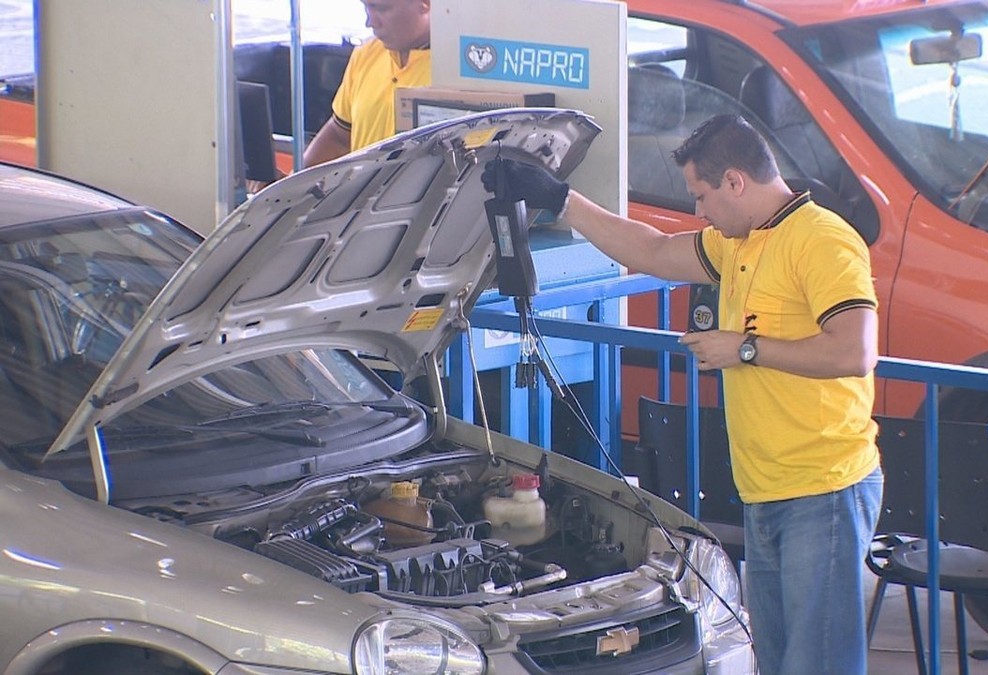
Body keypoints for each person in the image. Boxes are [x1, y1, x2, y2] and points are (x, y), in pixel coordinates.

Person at [483, 114, 884, 675]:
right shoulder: (738, 241)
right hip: (766, 488)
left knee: (819, 663)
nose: (699, 213)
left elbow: (853, 352)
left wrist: (742, 348)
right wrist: (560, 200)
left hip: (824, 490)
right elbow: (653, 250)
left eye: (702, 196)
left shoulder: (822, 240)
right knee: (777, 659)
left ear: (736, 182)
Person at [250, 0, 431, 193]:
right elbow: (340, 135)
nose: (369, 22)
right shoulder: (366, 54)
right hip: (361, 207)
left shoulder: (457, 73)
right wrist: (291, 187)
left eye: (381, 8)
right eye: (366, 7)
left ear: (425, 4)